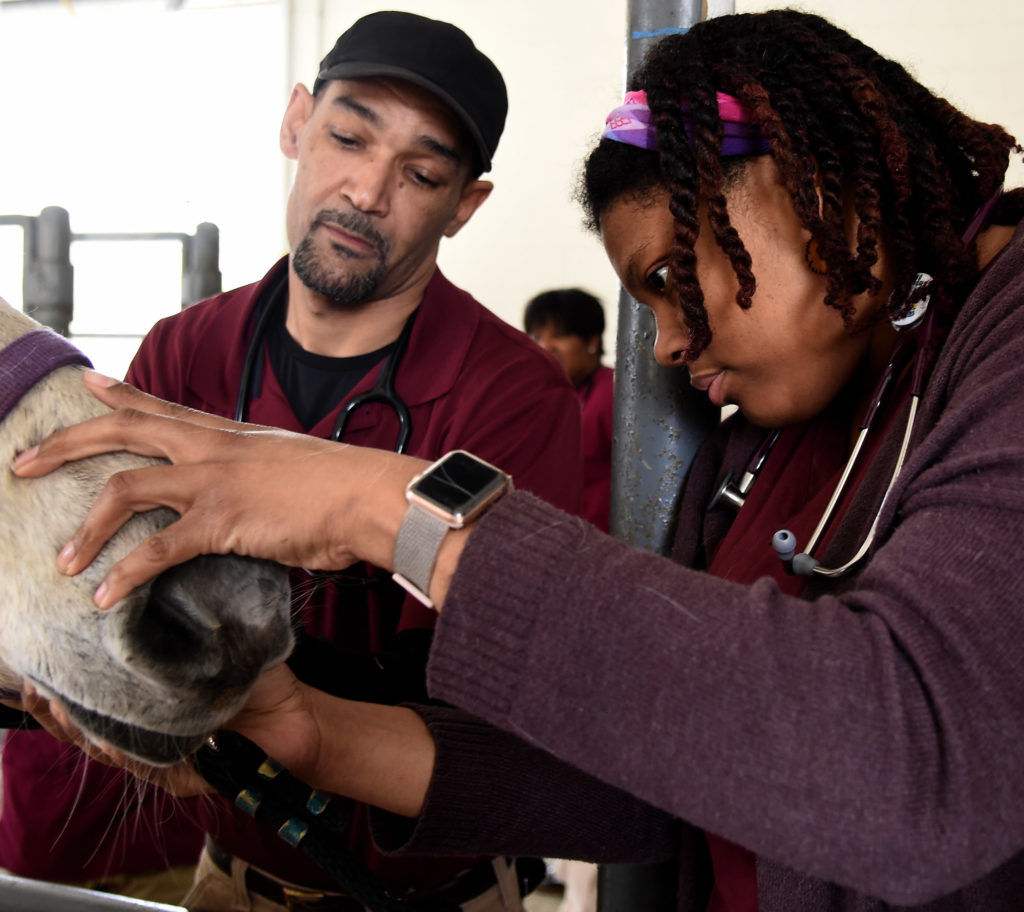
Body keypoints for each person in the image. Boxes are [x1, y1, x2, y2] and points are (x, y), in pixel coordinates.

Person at [12, 9, 1024, 912]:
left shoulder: (995, 347)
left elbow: (919, 763)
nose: (667, 346)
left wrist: (377, 505)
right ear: (295, 124)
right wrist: (312, 728)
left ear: (818, 180)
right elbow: (666, 780)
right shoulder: (769, 432)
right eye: (347, 135)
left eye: (674, 277)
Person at [2, 10, 583, 912]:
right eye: (347, 137)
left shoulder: (512, 397)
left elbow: (493, 725)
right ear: (295, 122)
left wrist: (251, 726)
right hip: (228, 883)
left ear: (465, 205)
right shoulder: (184, 351)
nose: (366, 191)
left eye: (421, 172)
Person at [525, 289, 613, 532]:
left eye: (561, 335)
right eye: (536, 335)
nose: (546, 346)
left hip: (603, 544)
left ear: (592, 342)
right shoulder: (535, 396)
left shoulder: (613, 394)